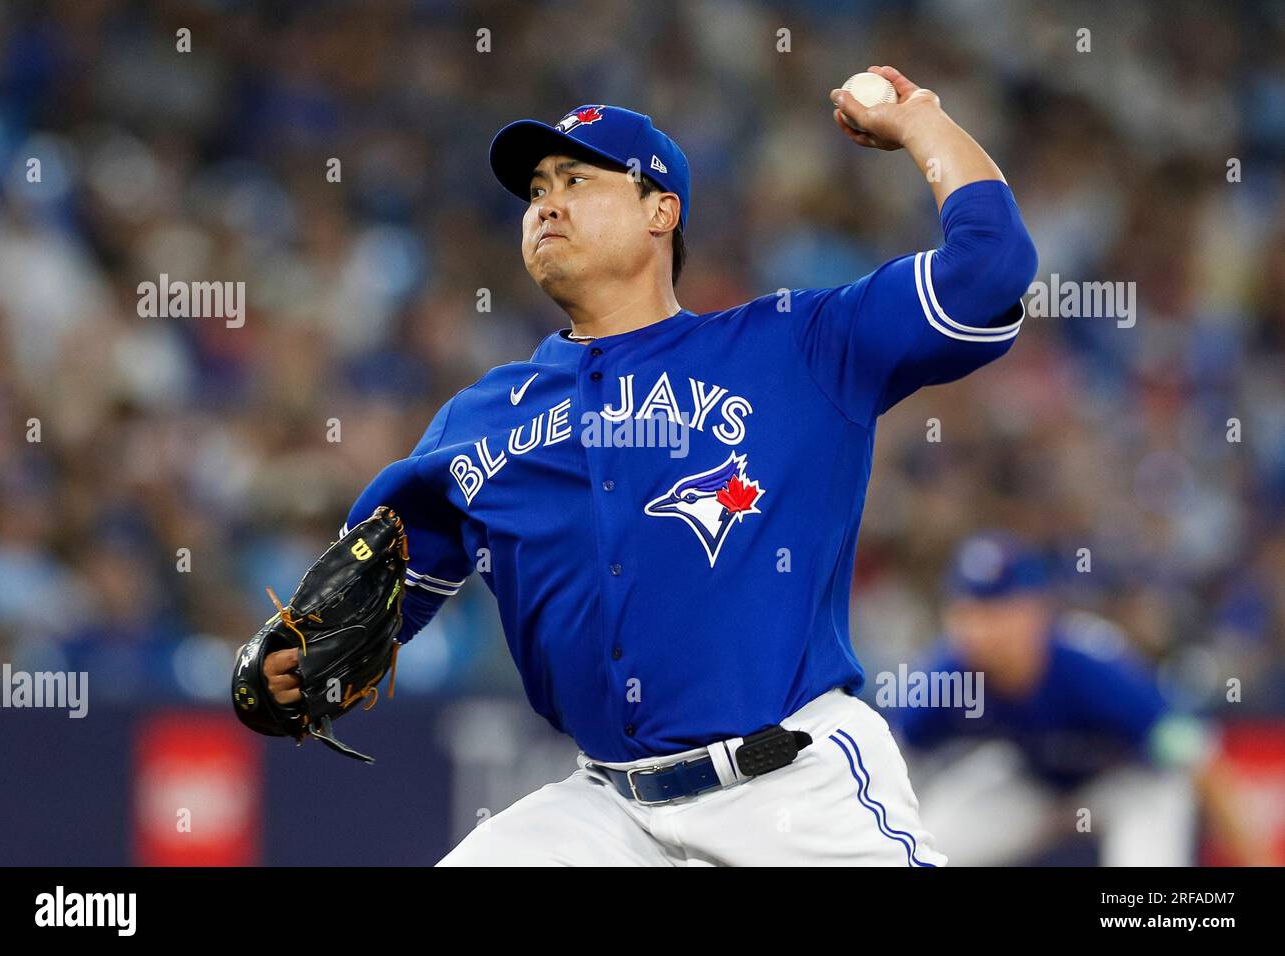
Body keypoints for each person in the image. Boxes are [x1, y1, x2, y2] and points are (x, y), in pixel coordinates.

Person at [266, 66, 1038, 865]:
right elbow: (376, 592)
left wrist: (923, 124)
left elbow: (991, 268)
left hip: (794, 792)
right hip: (605, 811)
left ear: (660, 211)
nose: (547, 202)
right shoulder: (482, 420)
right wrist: (299, 661)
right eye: (535, 189)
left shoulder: (795, 346)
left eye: (578, 178)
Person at [892, 532, 1271, 866]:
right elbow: (893, 760)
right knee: (916, 849)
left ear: (1035, 610)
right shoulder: (947, 675)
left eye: (997, 609)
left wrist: (1254, 856)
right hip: (1035, 783)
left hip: (1127, 785)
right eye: (969, 610)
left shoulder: (1089, 665)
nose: (980, 627)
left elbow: (1196, 756)